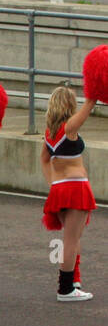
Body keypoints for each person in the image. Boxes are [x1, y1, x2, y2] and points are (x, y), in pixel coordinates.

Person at [40, 85, 97, 301]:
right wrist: (96, 92)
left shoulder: (49, 133)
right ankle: (65, 289)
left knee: (73, 237)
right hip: (75, 188)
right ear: (68, 105)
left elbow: (44, 159)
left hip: (61, 189)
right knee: (71, 239)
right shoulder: (68, 128)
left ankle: (73, 280)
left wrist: (52, 182)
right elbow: (88, 108)